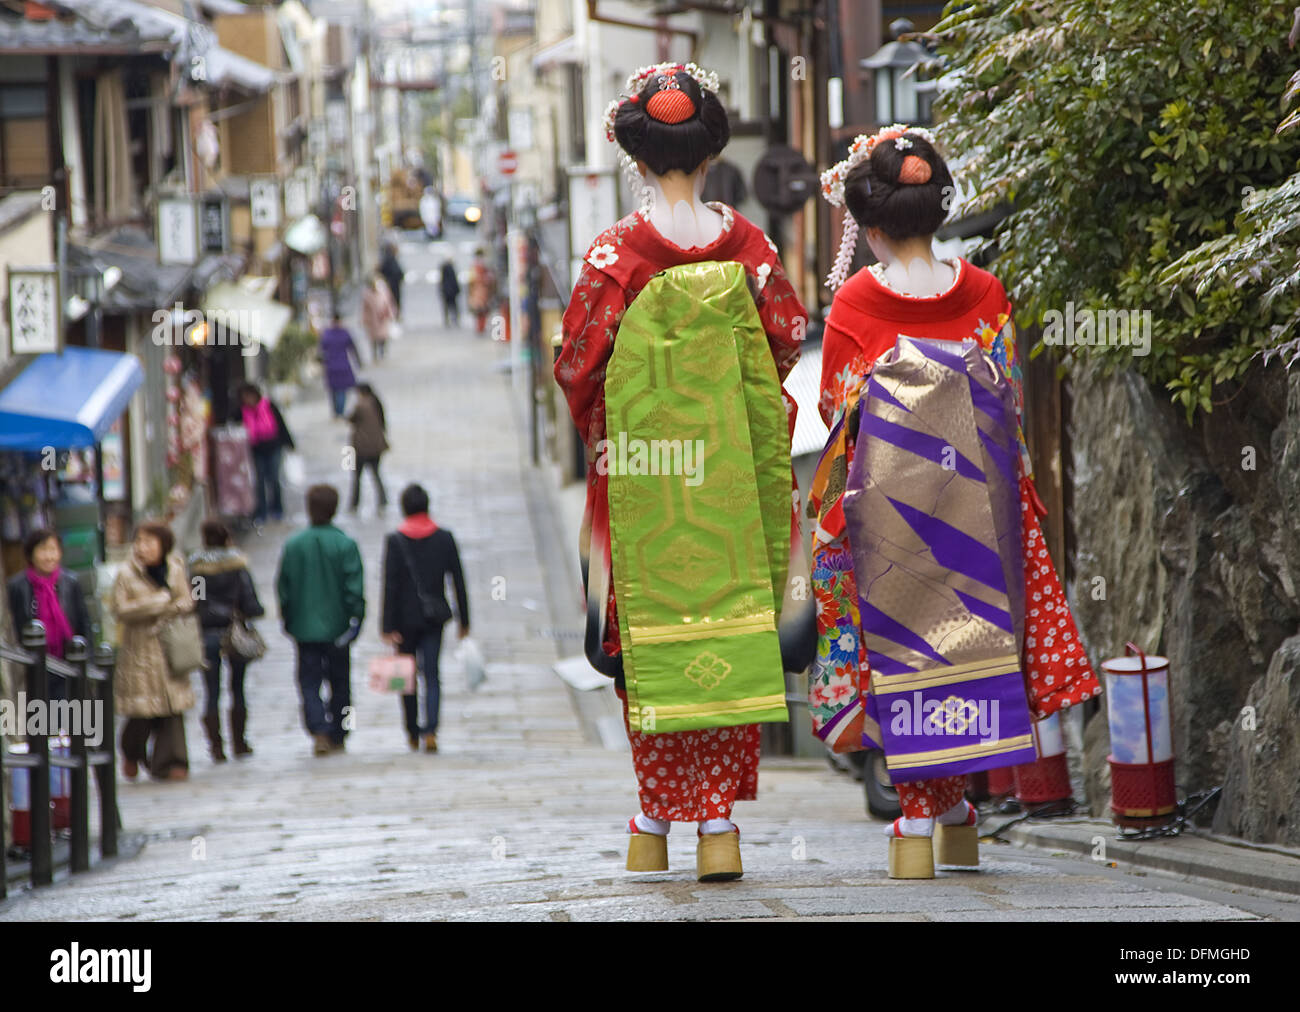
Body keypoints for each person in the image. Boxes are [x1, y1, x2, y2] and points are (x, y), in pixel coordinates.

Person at [809, 124, 1103, 879]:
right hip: (982, 514)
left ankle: (918, 819)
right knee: (975, 650)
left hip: (891, 522)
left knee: (903, 652)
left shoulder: (855, 306)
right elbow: (1004, 402)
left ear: (870, 228)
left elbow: (832, 414)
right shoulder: (985, 292)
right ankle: (954, 814)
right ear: (938, 214)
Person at [555, 63, 806, 882]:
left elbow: (577, 369)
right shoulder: (750, 250)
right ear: (711, 154)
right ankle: (720, 823)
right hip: (733, 470)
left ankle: (655, 816)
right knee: (735, 620)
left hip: (638, 476)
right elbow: (782, 346)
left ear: (634, 156)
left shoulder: (612, 257)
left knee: (644, 639)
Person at [276, 484, 365, 756]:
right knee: (340, 680)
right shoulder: (345, 544)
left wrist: (288, 619)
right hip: (337, 627)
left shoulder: (294, 545)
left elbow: (284, 588)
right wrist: (356, 617)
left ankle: (318, 728)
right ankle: (339, 730)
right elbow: (354, 588)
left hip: (304, 627)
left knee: (309, 680)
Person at [381, 483, 469, 753]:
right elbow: (458, 580)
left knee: (403, 676)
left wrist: (386, 625)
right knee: (432, 674)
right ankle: (431, 730)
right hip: (434, 618)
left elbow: (390, 584)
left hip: (404, 621)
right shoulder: (444, 537)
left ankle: (411, 732)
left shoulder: (395, 540)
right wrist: (465, 620)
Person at [111, 522, 196, 781]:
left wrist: (170, 607)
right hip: (140, 652)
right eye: (139, 542)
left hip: (170, 649)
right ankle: (131, 751)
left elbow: (187, 600)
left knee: (172, 708)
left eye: (149, 542)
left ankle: (171, 764)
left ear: (163, 545)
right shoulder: (126, 573)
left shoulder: (175, 567)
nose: (143, 548)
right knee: (142, 712)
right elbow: (120, 610)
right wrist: (154, 603)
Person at [188, 520, 264, 762]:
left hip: (208, 633)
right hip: (235, 633)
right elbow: (250, 603)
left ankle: (216, 746)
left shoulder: (198, 568)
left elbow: (196, 602)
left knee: (211, 692)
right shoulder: (237, 565)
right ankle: (240, 742)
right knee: (237, 689)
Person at [7, 529, 93, 698]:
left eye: (53, 550)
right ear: (31, 554)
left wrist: (87, 660)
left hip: (67, 661)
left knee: (67, 715)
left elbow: (84, 622)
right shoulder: (17, 586)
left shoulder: (70, 582)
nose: (49, 556)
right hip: (34, 666)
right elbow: (14, 626)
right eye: (43, 550)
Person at [239, 382, 295, 525]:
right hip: (256, 450)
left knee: (274, 479)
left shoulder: (269, 406)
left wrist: (289, 443)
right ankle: (261, 511)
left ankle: (277, 508)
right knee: (259, 481)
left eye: (249, 396)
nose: (247, 399)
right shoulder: (242, 411)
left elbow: (281, 424)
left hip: (273, 447)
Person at [347, 383, 389, 512]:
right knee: (376, 474)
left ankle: (354, 504)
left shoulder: (360, 405)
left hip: (361, 448)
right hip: (376, 447)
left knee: (356, 477)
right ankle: (383, 501)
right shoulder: (376, 404)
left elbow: (350, 418)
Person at [319, 314, 363, 418]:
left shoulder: (326, 334)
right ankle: (340, 411)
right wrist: (358, 362)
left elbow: (321, 350)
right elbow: (353, 348)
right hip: (343, 365)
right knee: (341, 390)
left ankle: (336, 412)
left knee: (334, 390)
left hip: (330, 366)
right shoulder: (344, 333)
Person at [361, 272, 398, 362]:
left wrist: (391, 313)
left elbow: (389, 303)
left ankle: (382, 351)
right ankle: (375, 353)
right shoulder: (367, 294)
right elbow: (364, 308)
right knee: (373, 337)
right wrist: (364, 319)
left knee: (383, 336)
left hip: (382, 317)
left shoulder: (384, 291)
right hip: (372, 319)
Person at [467, 250, 497, 335]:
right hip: (479, 292)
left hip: (482, 292)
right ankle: (480, 327)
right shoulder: (476, 268)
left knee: (482, 310)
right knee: (480, 310)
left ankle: (481, 327)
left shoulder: (483, 268)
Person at [380, 243, 405, 317]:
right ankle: (394, 314)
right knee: (393, 300)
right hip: (392, 285)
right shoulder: (390, 260)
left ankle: (395, 314)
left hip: (393, 285)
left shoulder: (389, 259)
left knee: (394, 300)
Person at [440, 260, 461, 327]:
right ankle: (455, 319)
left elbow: (442, 282)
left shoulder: (443, 270)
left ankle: (447, 320)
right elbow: (454, 281)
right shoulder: (451, 270)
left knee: (447, 307)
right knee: (453, 306)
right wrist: (457, 290)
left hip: (446, 291)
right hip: (451, 291)